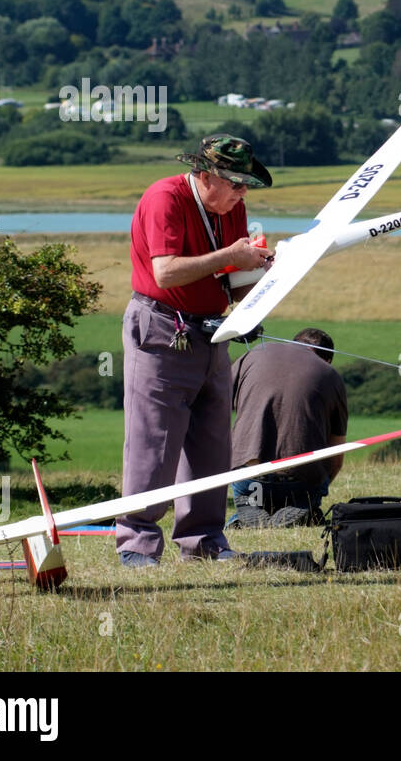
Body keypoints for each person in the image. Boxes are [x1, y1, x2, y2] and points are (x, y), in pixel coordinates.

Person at [116, 134, 274, 567]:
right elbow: (165, 273)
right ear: (205, 176)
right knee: (154, 439)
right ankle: (137, 542)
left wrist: (266, 279)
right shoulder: (164, 197)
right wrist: (231, 256)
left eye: (246, 185)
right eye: (235, 183)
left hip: (211, 330)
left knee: (211, 440)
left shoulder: (232, 207)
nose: (243, 194)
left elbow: (232, 276)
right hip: (161, 326)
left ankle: (205, 540)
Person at [227, 328, 348, 527]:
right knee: (301, 496)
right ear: (327, 359)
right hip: (299, 479)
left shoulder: (254, 354)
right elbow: (337, 454)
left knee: (253, 495)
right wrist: (320, 486)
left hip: (249, 473)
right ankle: (301, 507)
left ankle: (249, 512)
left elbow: (217, 403)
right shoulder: (330, 375)